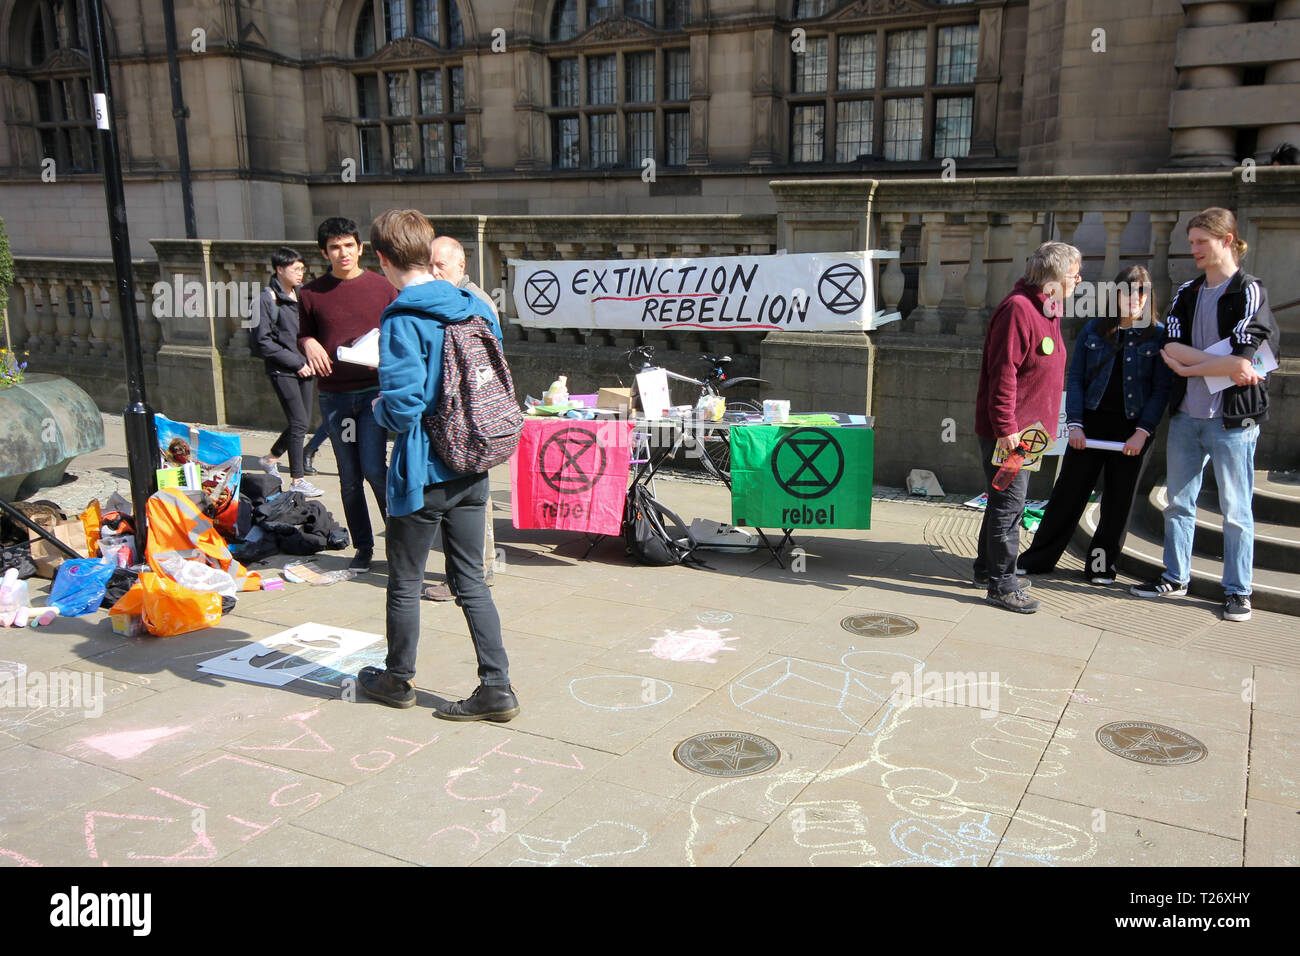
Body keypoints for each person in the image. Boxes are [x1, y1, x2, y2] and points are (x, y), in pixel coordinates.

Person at [356, 209, 517, 721]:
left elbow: (401, 410)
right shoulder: (473, 303)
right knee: (470, 580)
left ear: (381, 258)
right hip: (474, 461)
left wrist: (377, 405)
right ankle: (497, 687)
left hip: (424, 472)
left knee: (404, 581)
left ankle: (397, 680)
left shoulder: (404, 318)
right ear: (429, 252)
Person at [1132, 207, 1279, 622]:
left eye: (1201, 241)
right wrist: (1217, 365)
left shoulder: (1250, 290)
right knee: (1179, 503)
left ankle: (1237, 591)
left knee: (1235, 510)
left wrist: (1193, 367)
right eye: (1191, 240)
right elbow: (1173, 350)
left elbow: (1244, 359)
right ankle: (1175, 577)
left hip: (1233, 420)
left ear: (1227, 241)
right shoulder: (1187, 292)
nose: (1192, 248)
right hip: (1185, 416)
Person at [1018, 266, 1170, 583]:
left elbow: (1161, 391)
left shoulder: (1157, 336)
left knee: (1118, 502)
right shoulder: (1094, 330)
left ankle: (1100, 566)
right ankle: (1037, 559)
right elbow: (1075, 379)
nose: (1134, 298)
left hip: (1133, 431)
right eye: (1127, 291)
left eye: (1141, 291)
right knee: (1068, 495)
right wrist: (1075, 424)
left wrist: (1143, 432)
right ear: (1115, 295)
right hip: (1089, 425)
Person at [973, 240, 1081, 613]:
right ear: (1054, 277)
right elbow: (1003, 374)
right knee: (1009, 506)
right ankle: (1002, 584)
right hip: (1013, 435)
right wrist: (1006, 428)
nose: (1079, 279)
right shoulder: (1019, 310)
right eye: (1074, 273)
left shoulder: (1048, 310)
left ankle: (987, 568)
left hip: (1029, 434)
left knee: (1003, 502)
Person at [297, 217, 398, 571]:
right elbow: (303, 333)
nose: (343, 253)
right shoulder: (310, 293)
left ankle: (400, 544)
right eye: (335, 247)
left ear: (360, 248)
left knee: (375, 468)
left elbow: (399, 332)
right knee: (349, 476)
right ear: (325, 252)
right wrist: (308, 342)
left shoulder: (383, 288)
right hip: (336, 397)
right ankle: (364, 546)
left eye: (349, 246)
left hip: (373, 395)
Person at [422, 234, 500, 601]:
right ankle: (472, 572)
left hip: (471, 418)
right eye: (430, 265)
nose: (434, 272)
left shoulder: (473, 303)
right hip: (467, 417)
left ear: (460, 265)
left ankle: (473, 574)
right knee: (469, 499)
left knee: (471, 501)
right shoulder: (453, 299)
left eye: (441, 265)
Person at [253, 247, 325, 498]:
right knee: (298, 422)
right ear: (279, 269)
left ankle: (271, 458)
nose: (300, 274)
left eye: (302, 270)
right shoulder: (265, 299)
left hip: (305, 366)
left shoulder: (300, 294)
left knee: (302, 423)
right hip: (284, 369)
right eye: (295, 269)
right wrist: (296, 362)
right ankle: (297, 479)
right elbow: (263, 342)